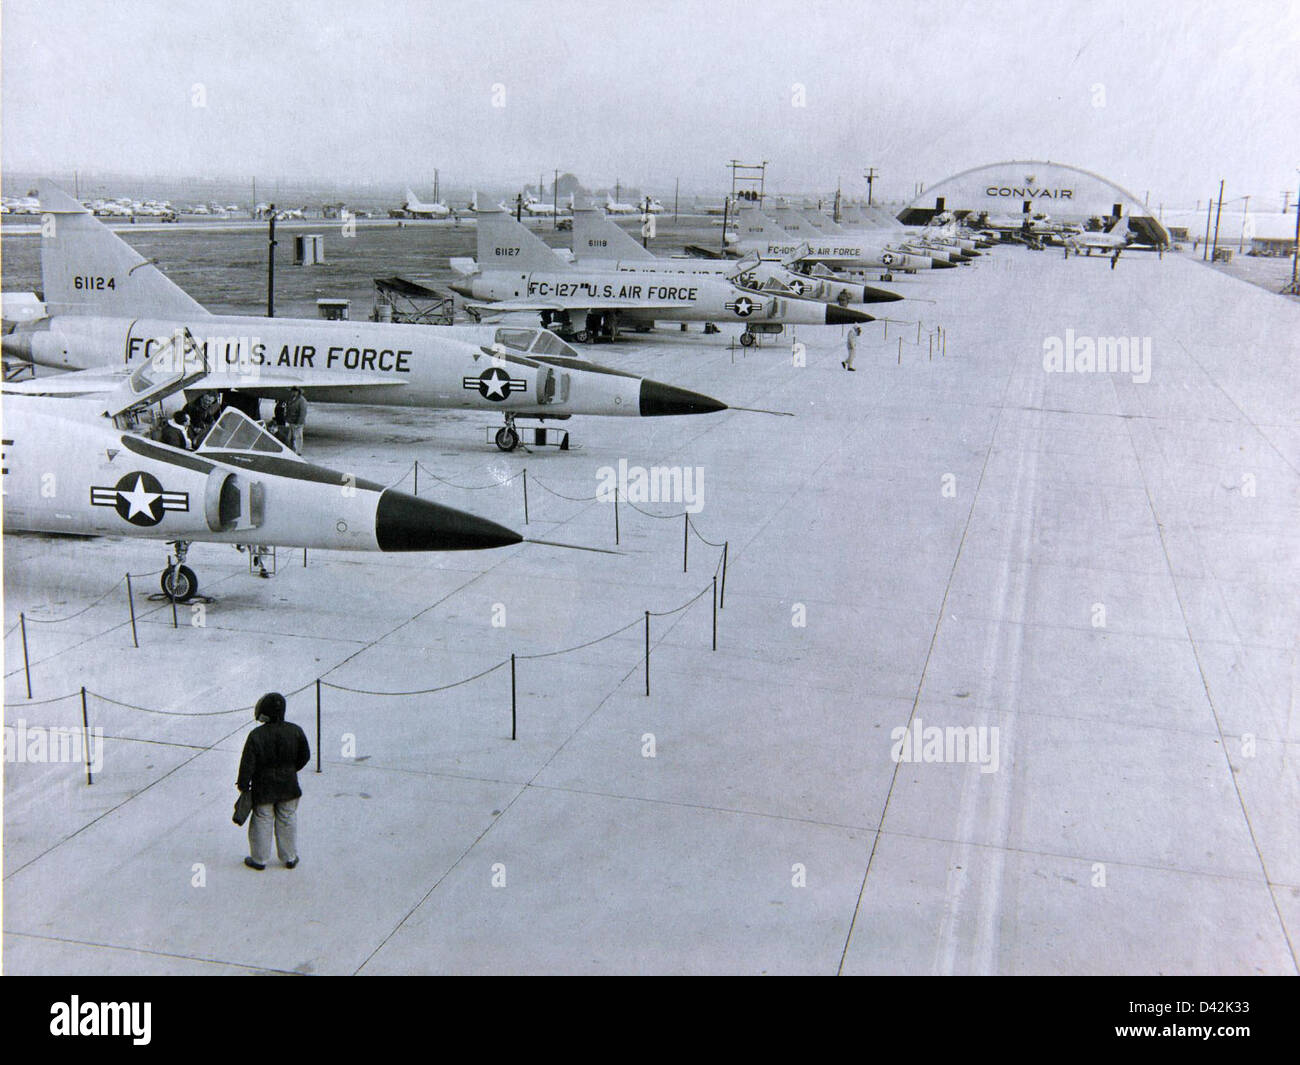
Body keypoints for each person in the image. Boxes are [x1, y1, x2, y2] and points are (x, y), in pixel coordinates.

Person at [237, 692, 310, 870]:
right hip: (289, 785)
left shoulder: (256, 735)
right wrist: (290, 770)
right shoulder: (295, 730)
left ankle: (259, 859)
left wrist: (243, 784)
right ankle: (289, 857)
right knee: (287, 818)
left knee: (262, 819)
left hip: (264, 787)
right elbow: (304, 756)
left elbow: (247, 763)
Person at [283, 387, 307, 454]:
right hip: (290, 421)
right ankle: (291, 450)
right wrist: (286, 418)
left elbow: (303, 413)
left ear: (298, 392)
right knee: (290, 437)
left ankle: (298, 451)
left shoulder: (302, 401)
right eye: (292, 391)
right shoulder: (291, 399)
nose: (293, 393)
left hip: (297, 422)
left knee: (298, 437)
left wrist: (299, 423)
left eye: (295, 391)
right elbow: (288, 409)